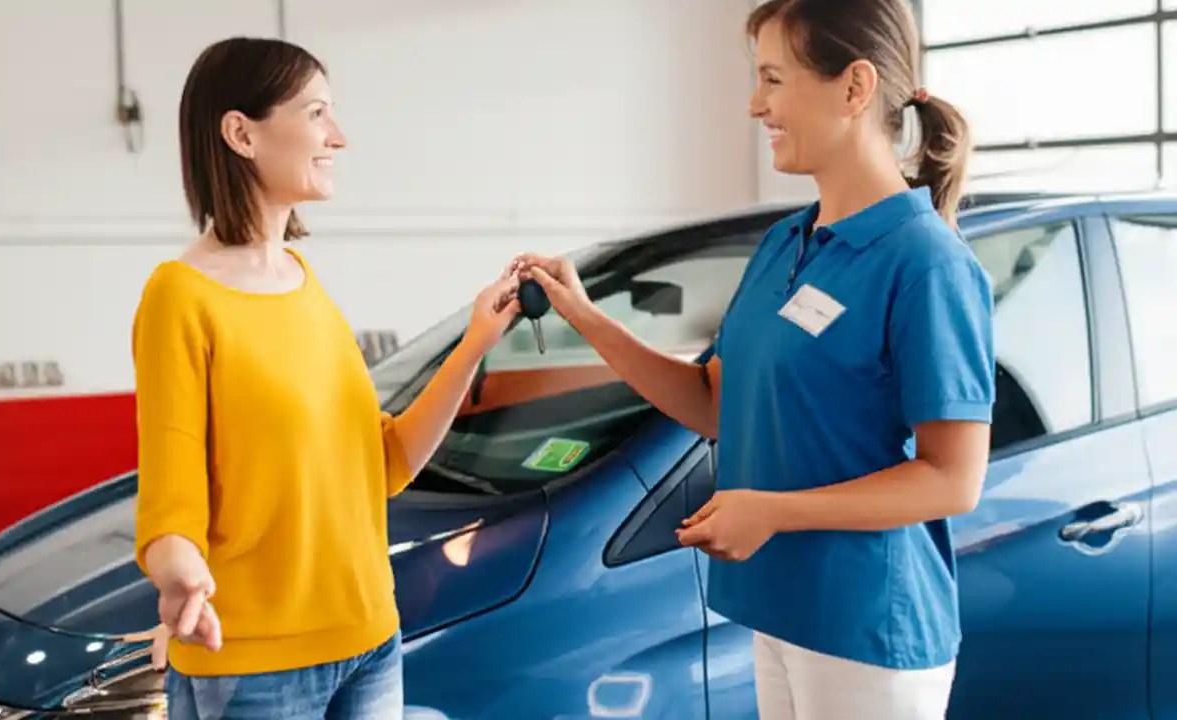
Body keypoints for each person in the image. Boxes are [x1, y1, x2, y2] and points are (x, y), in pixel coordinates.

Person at [513, 0, 993, 718]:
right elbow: (713, 402)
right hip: (783, 609)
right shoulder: (785, 245)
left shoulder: (925, 264)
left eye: (773, 78)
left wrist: (771, 510)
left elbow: (953, 480)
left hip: (867, 625)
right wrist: (585, 316)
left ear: (854, 88)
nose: (753, 104)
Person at [132, 37, 521, 719]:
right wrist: (178, 573)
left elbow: (385, 461)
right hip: (256, 662)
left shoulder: (305, 282)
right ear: (241, 133)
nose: (336, 137)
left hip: (370, 639)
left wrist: (474, 344)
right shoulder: (180, 296)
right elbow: (172, 497)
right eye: (316, 113)